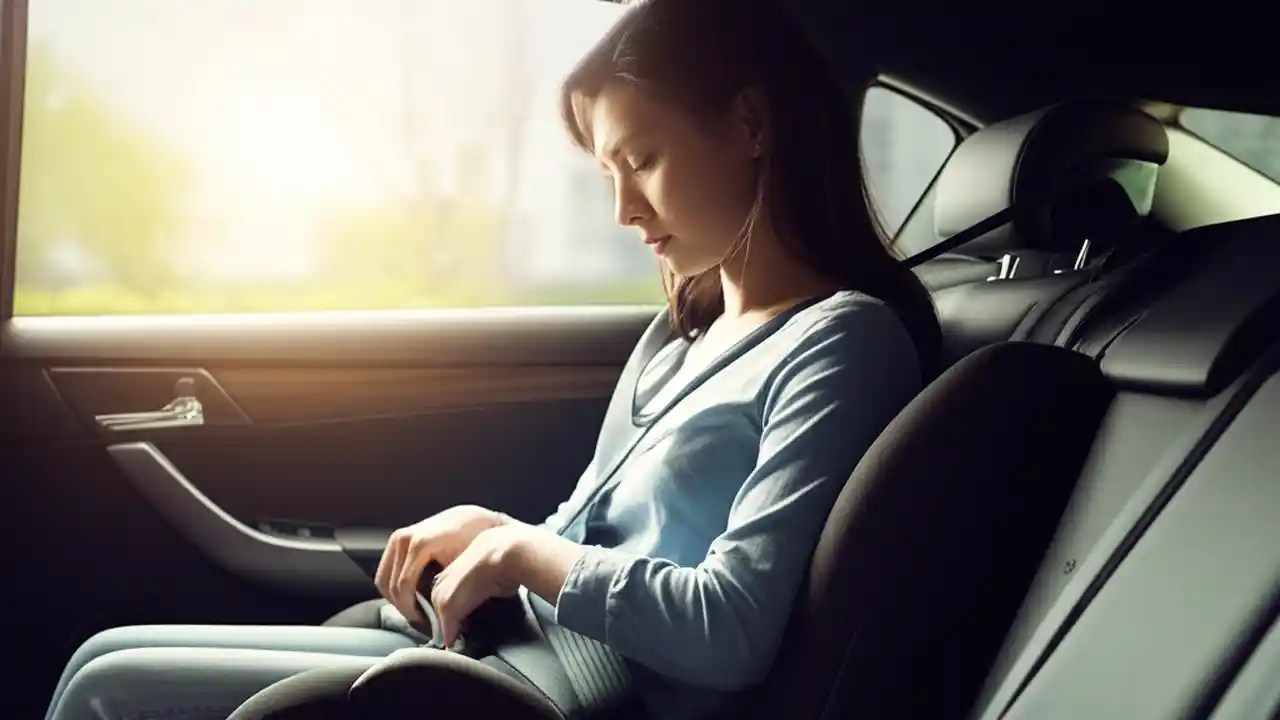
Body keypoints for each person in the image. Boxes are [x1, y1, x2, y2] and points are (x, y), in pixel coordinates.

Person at [43, 0, 938, 718]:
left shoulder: (841, 343)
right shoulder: (689, 326)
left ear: (749, 124)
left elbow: (732, 630)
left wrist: (521, 553)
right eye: (605, 173)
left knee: (107, 692)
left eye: (644, 159)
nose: (624, 209)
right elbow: (597, 542)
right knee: (101, 653)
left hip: (581, 692)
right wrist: (494, 531)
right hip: (523, 650)